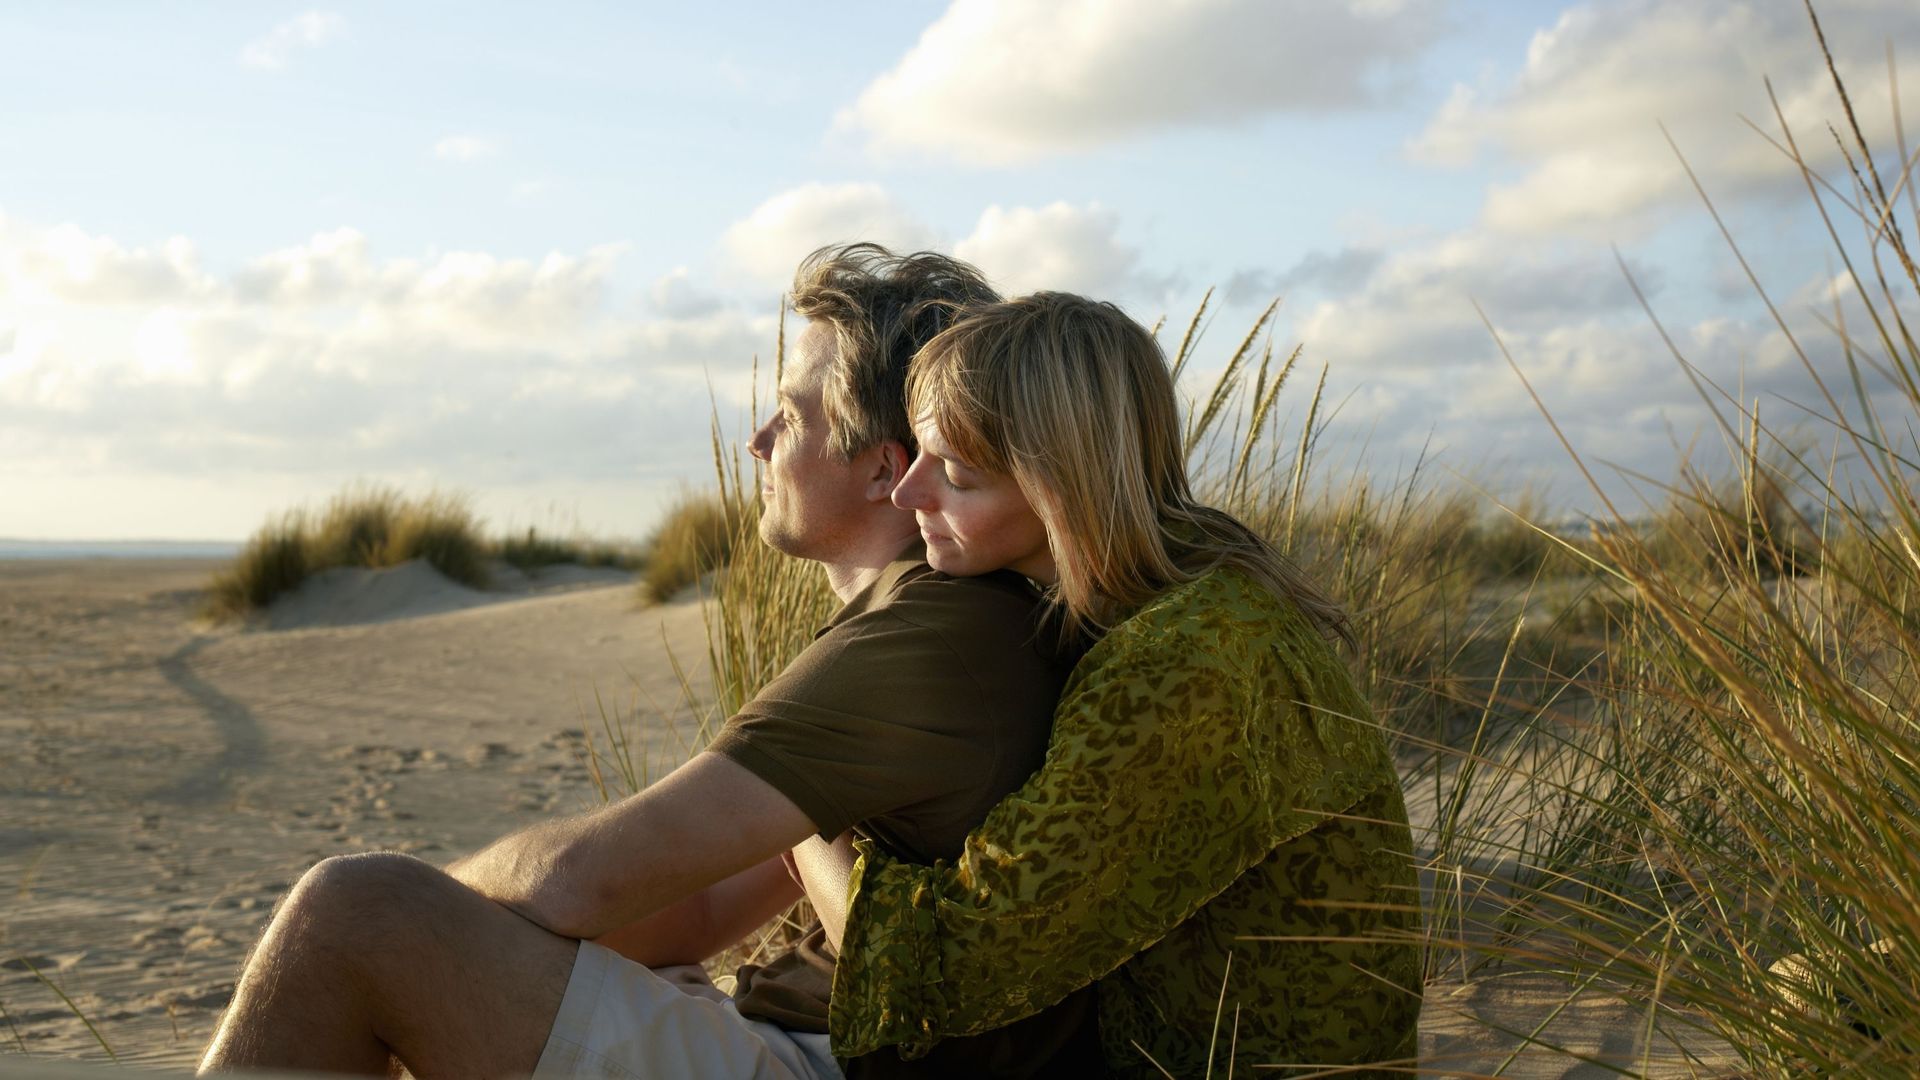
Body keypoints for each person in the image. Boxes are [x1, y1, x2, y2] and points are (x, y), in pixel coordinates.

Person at [197, 245, 1101, 1077]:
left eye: (790, 416)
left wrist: (432, 916)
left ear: (882, 470)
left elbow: (577, 883)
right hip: (791, 1034)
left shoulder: (926, 639)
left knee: (355, 912)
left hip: (831, 1063)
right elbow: (698, 911)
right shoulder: (928, 622)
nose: (758, 442)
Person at [787, 292, 1423, 1078]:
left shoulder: (1183, 665)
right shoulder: (1189, 586)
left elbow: (951, 967)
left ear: (1062, 485)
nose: (912, 492)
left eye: (954, 472)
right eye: (916, 455)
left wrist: (804, 808)